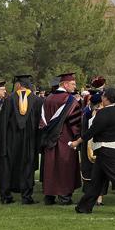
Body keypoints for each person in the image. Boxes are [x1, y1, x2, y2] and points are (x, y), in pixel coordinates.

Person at [70, 87, 115, 216]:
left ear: (107, 98)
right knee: (96, 181)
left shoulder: (104, 113)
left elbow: (91, 131)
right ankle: (84, 206)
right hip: (114, 149)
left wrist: (77, 142)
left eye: (103, 96)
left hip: (106, 150)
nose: (101, 98)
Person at [38, 72, 82, 206]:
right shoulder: (70, 101)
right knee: (65, 166)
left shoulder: (48, 99)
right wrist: (78, 137)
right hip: (65, 139)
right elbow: (76, 123)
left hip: (49, 139)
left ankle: (49, 197)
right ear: (65, 84)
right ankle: (64, 197)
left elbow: (42, 122)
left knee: (50, 166)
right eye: (73, 84)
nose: (75, 87)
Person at [0, 75, 40, 205]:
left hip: (11, 140)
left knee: (8, 166)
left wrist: (3, 143)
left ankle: (6, 196)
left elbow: (4, 123)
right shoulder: (37, 100)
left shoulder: (9, 99)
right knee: (27, 166)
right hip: (29, 140)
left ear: (18, 84)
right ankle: (26, 196)